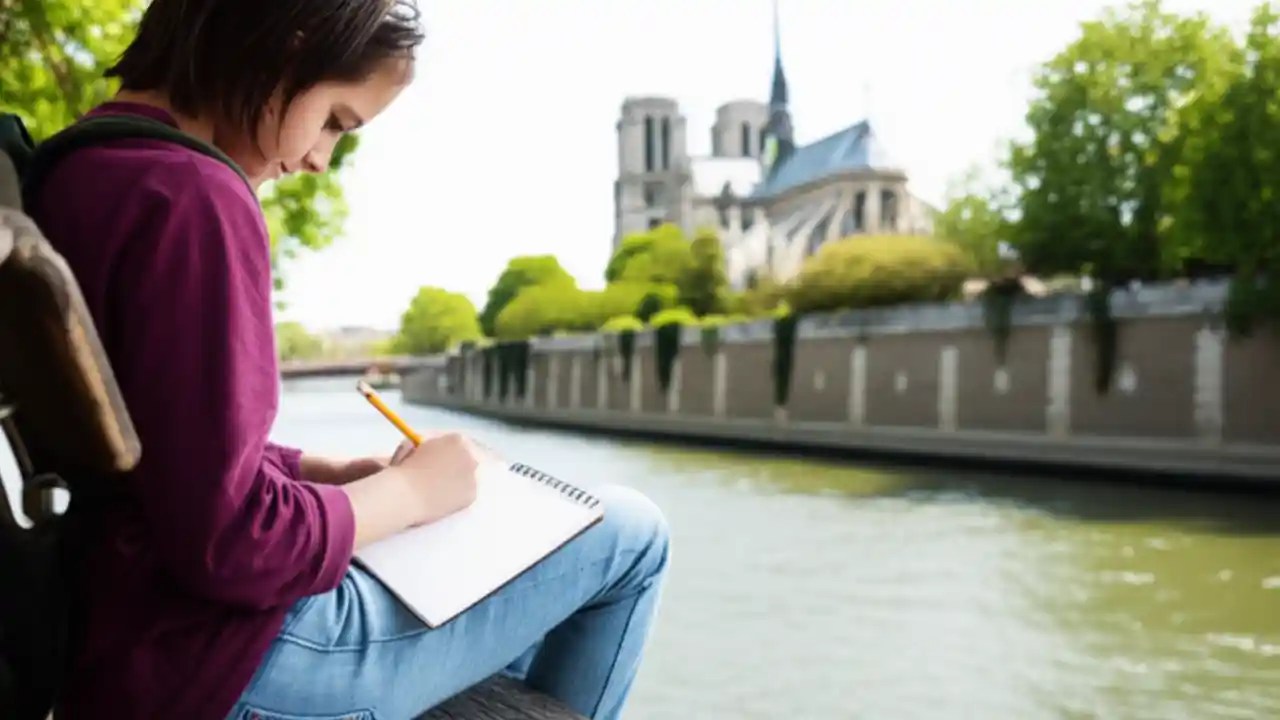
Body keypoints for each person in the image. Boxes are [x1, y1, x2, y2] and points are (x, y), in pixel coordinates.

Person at [30, 1, 671, 718]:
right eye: (336, 120)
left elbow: (160, 445)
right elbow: (232, 547)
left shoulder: (75, 167)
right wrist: (412, 495)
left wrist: (326, 474)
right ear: (283, 50)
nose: (317, 160)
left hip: (121, 637)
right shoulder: (198, 199)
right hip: (222, 664)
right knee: (628, 531)